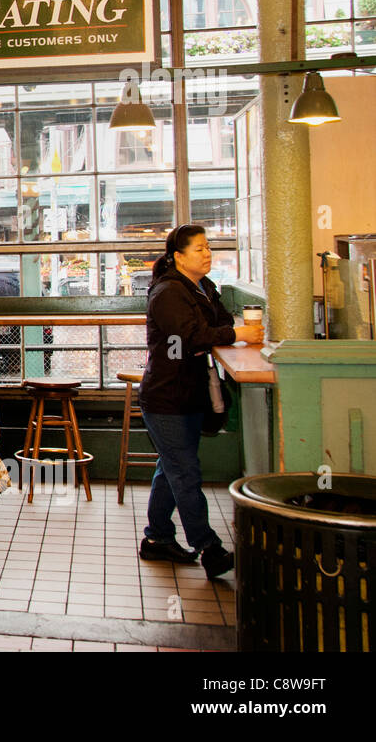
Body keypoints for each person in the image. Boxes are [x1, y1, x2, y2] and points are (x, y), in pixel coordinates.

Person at [139, 223, 262, 580]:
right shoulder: (168, 292)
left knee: (173, 466)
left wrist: (232, 329)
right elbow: (190, 338)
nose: (207, 254)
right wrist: (237, 333)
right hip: (166, 397)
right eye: (199, 249)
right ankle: (209, 548)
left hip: (188, 394)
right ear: (178, 257)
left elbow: (220, 321)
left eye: (208, 248)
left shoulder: (202, 287)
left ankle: (158, 538)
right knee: (185, 471)